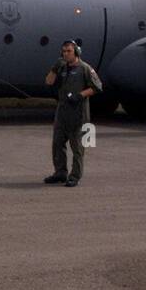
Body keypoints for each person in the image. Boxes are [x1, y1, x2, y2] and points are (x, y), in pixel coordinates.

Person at [43, 40, 102, 187]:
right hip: (62, 113)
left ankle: (75, 176)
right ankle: (60, 172)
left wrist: (80, 95)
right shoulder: (61, 68)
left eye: (69, 51)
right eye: (63, 51)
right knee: (57, 144)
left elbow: (97, 87)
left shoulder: (85, 68)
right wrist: (54, 68)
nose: (65, 54)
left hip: (78, 114)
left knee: (77, 147)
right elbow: (49, 82)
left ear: (76, 52)